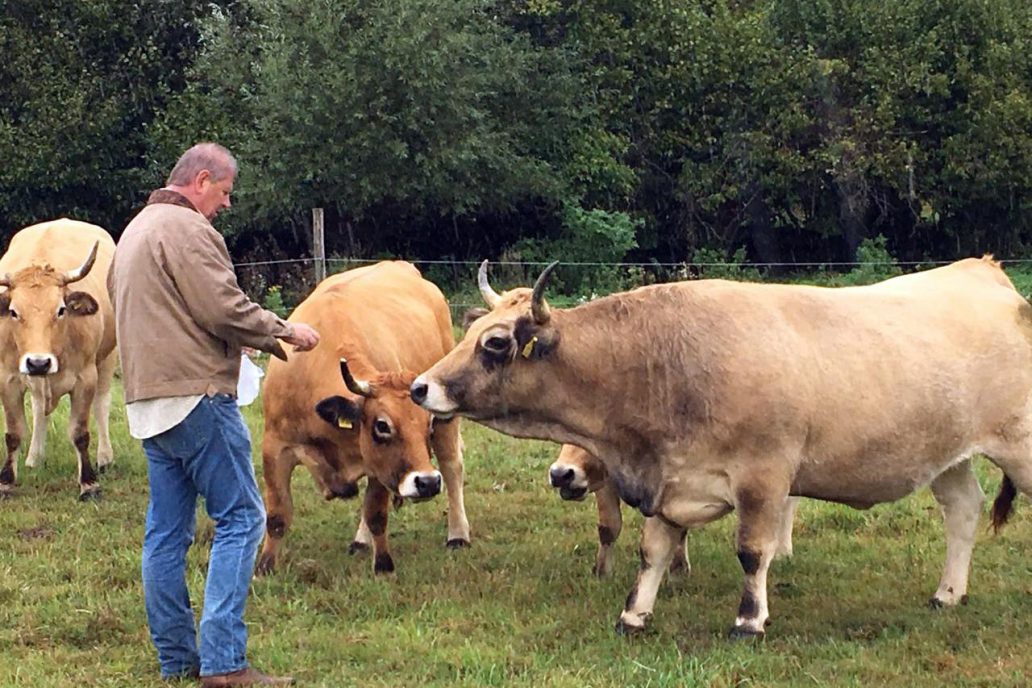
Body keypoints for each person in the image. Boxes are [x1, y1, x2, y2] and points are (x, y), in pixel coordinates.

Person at [109, 142, 320, 686]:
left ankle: (178, 660)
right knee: (243, 518)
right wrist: (282, 330)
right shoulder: (188, 231)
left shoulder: (134, 231)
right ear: (201, 180)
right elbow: (221, 306)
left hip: (148, 405)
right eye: (224, 192)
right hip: (196, 398)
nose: (226, 205)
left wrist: (233, 343)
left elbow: (174, 314)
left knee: (166, 533)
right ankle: (225, 663)